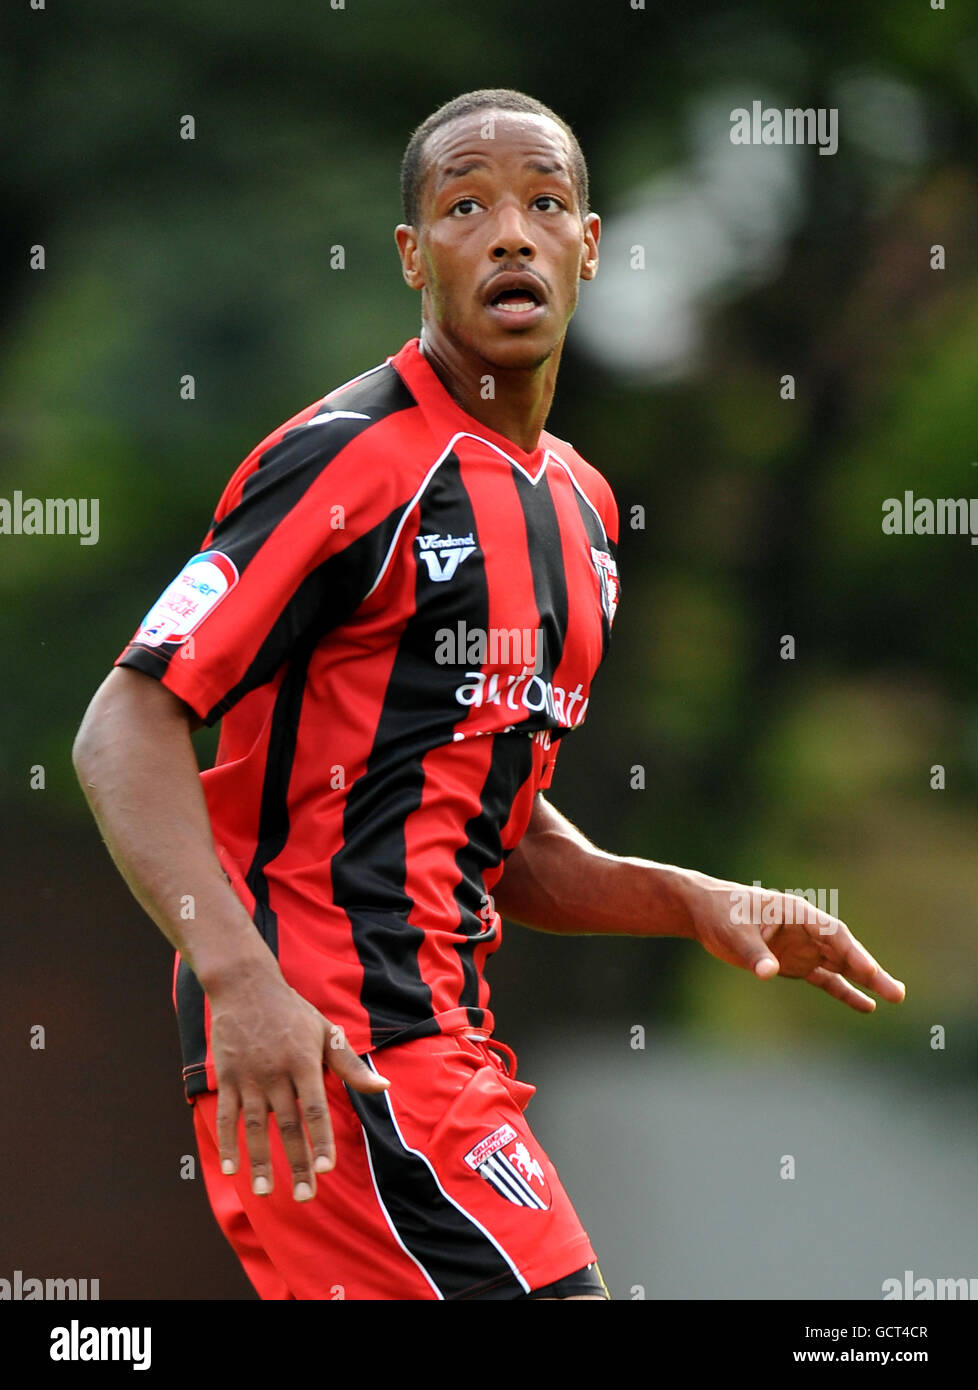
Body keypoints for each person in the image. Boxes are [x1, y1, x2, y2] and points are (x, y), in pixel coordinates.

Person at [72, 88, 906, 1302]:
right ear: (416, 256)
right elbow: (124, 721)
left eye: (544, 204)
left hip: (448, 1054)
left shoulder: (583, 509)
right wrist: (243, 983)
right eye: (467, 206)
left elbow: (490, 829)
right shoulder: (349, 458)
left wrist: (693, 899)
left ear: (590, 245)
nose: (511, 232)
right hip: (336, 1060)